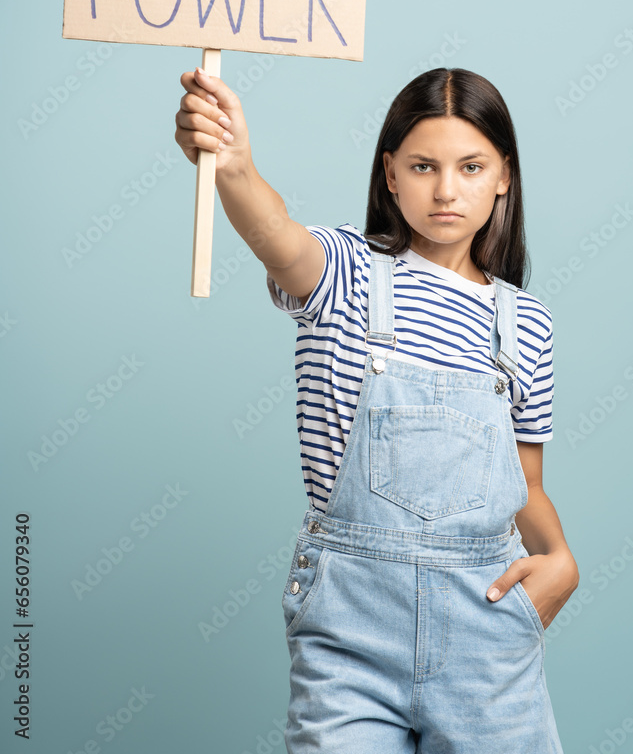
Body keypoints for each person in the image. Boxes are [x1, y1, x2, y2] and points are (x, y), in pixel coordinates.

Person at [175, 64, 579, 753]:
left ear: (503, 175)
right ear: (390, 174)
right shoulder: (341, 272)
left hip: (485, 635)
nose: (445, 189)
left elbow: (525, 482)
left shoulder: (526, 323)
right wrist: (234, 165)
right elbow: (273, 230)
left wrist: (560, 559)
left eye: (470, 166)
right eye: (422, 166)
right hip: (351, 632)